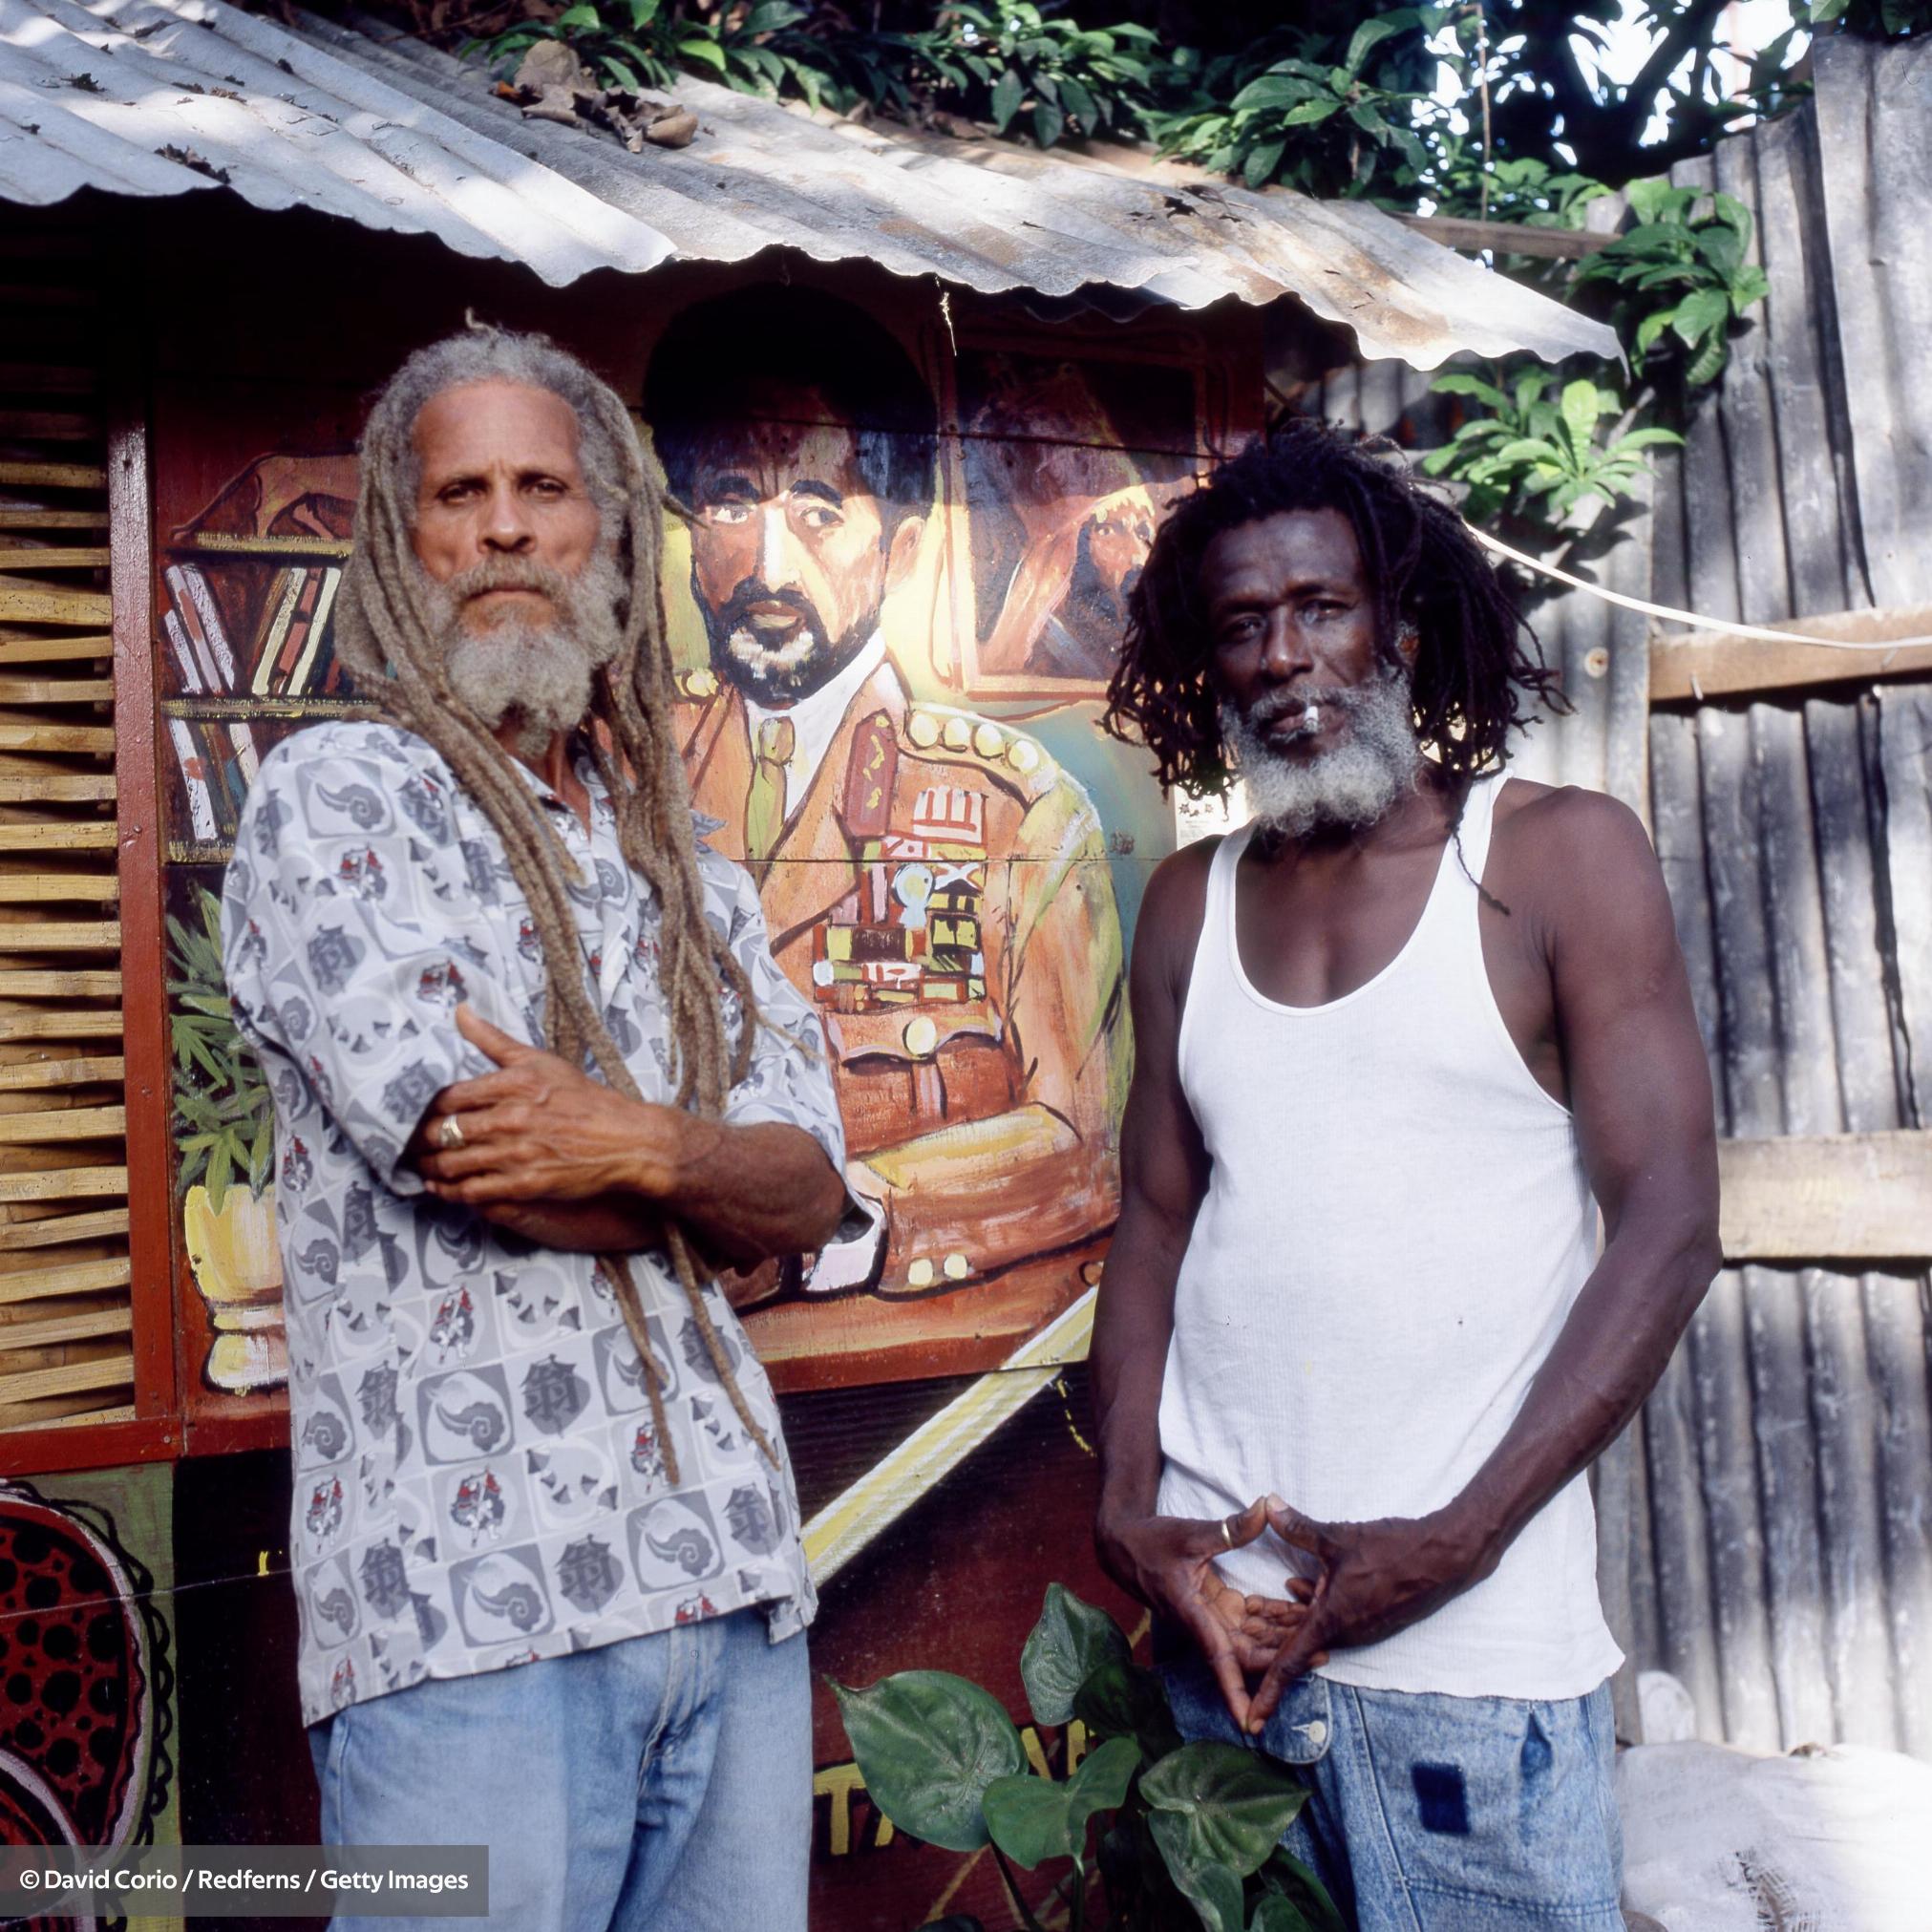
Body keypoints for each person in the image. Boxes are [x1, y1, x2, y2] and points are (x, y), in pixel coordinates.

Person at [222, 326, 859, 1931]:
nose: (504, 525)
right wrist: (702, 1176)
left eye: (542, 488)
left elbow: (806, 1188)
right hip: (465, 1625)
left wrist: (634, 1143)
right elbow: (482, 1155)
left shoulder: (688, 863)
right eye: (460, 494)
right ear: (401, 538)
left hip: (728, 1583)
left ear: (608, 534)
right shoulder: (336, 797)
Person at [1090, 420, 1721, 1929]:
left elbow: (1669, 1222)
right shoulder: (1186, 903)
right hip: (1228, 1646)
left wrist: (1457, 1536)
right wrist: (1122, 1509)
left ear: (1400, 625)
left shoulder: (1549, 859)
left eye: (1321, 606)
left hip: (1469, 1669)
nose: (1283, 656)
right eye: (1242, 624)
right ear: (1203, 661)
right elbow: (1154, 1226)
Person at [645, 287, 1127, 1327]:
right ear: (688, 541)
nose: (769, 565)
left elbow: (1083, 1143)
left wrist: (825, 1222)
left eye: (819, 511)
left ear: (901, 551)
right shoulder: (623, 775)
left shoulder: (1012, 811)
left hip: (904, 1373)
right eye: (728, 503)